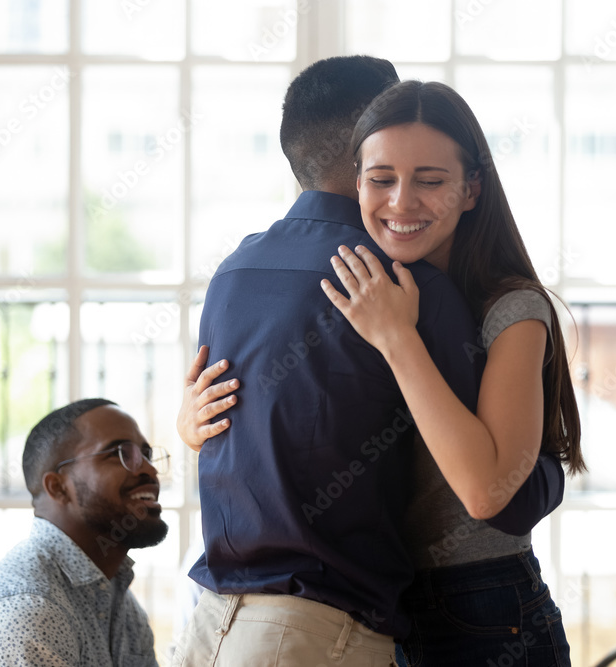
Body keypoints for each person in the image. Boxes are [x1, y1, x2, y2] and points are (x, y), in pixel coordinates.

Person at [172, 57, 565, 667]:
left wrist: (398, 339)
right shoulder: (401, 286)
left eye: (428, 177)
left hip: (469, 603)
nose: (402, 199)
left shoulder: (237, 272)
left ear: (471, 186)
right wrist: (191, 427)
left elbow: (497, 495)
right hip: (363, 612)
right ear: (358, 166)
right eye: (383, 176)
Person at [0, 398, 170, 667]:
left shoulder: (119, 602)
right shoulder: (28, 610)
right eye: (120, 453)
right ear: (58, 487)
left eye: (146, 455)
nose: (149, 469)